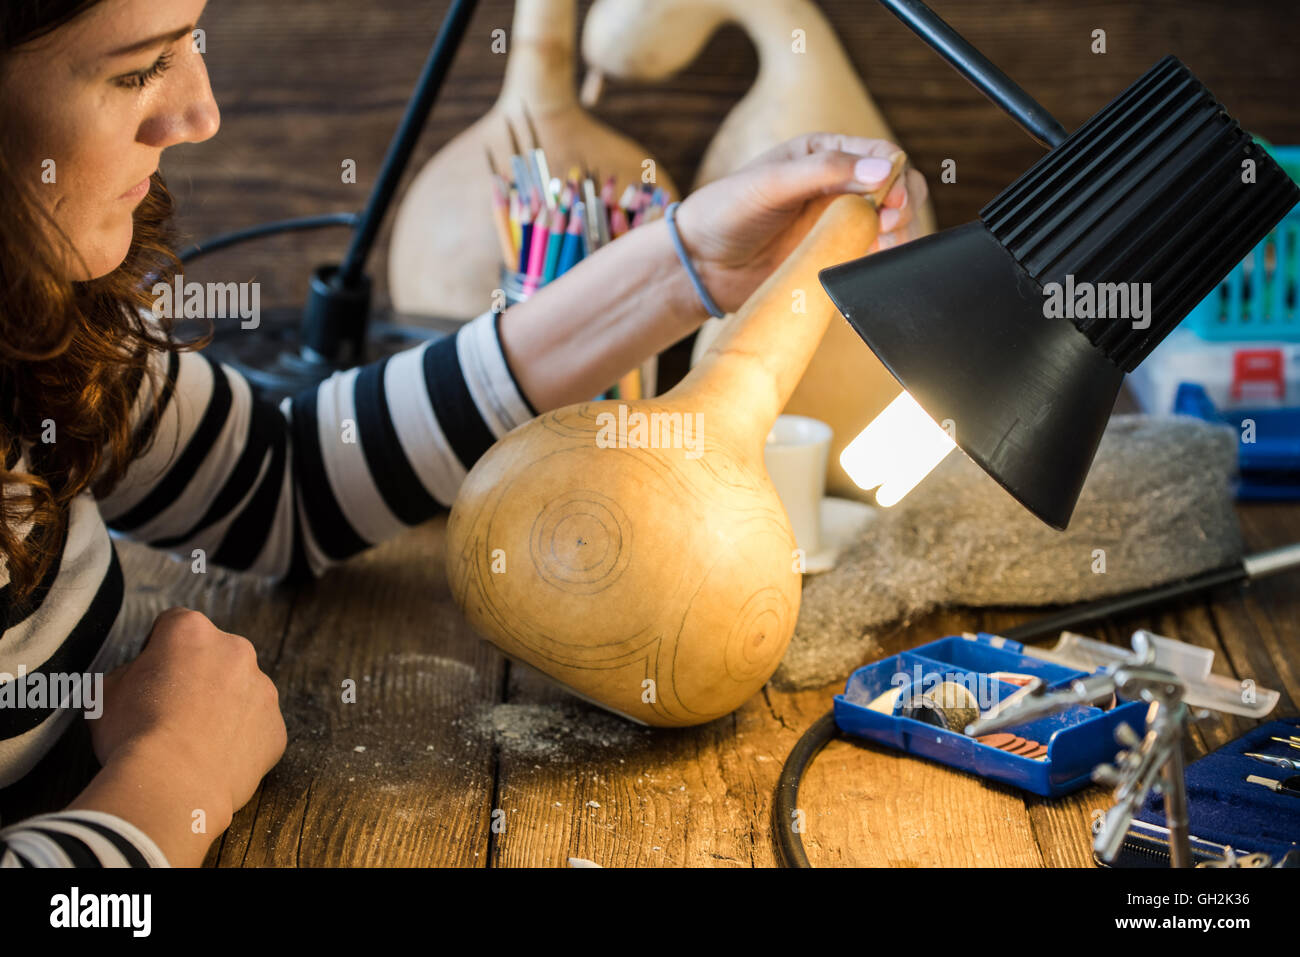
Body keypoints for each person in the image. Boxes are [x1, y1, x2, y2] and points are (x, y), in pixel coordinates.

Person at [0, 0, 927, 867]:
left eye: (191, 39)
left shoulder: (44, 327)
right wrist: (171, 779)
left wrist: (682, 266)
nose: (199, 112)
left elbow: (283, 478)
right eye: (134, 73)